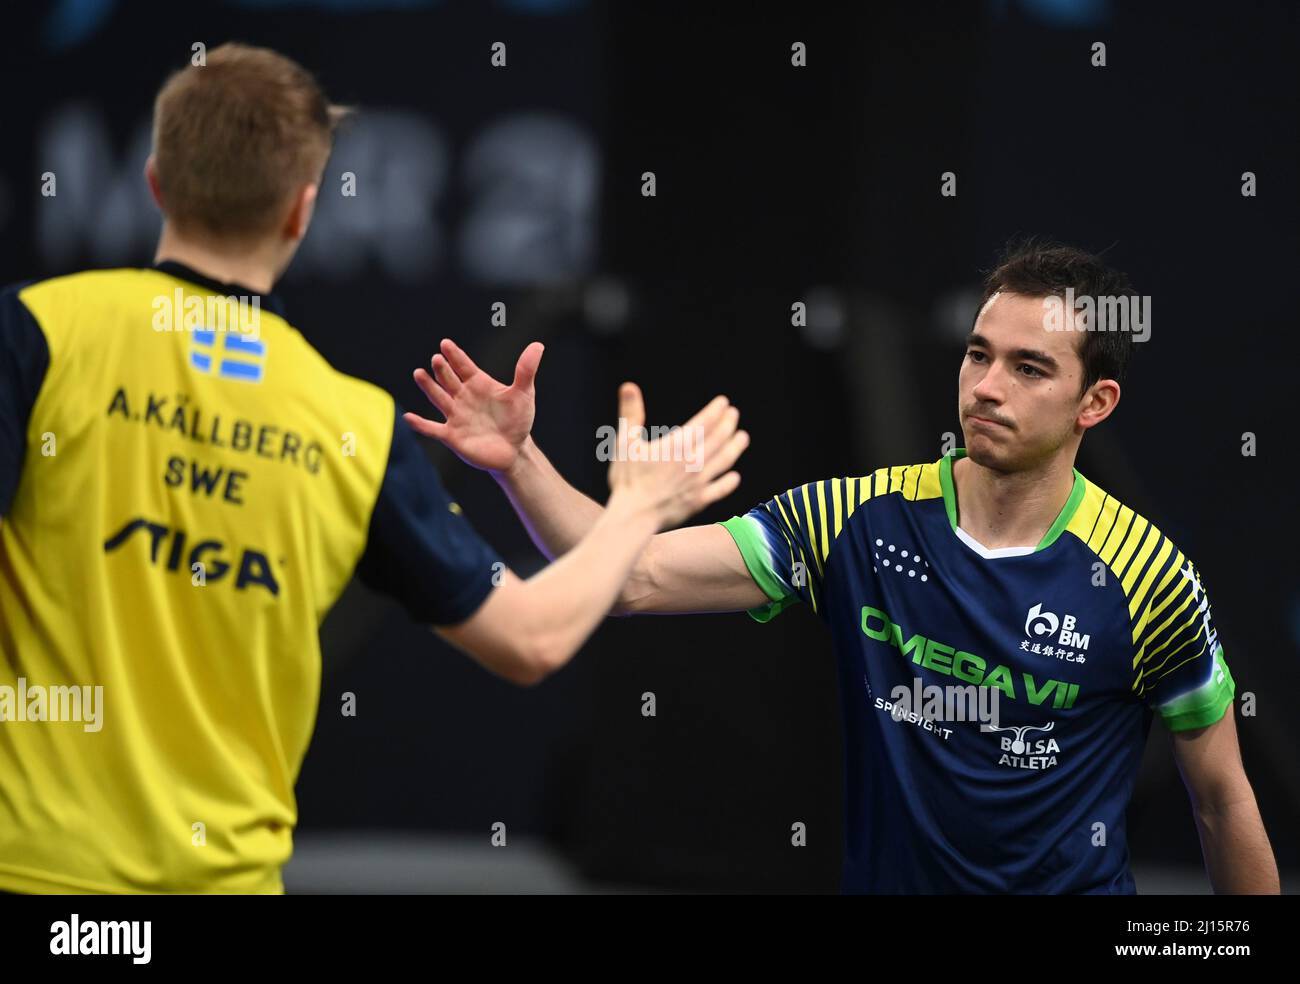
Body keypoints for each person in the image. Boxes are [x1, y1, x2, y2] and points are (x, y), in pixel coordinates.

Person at [0, 43, 747, 894]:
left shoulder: (36, 335)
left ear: (156, 182)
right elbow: (532, 640)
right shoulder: (349, 422)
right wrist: (638, 506)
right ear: (303, 210)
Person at [408, 240, 1280, 894]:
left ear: (1095, 401)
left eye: (1028, 368)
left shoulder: (1149, 579)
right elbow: (630, 577)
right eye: (979, 354)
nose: (985, 386)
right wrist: (516, 462)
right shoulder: (853, 519)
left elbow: (1223, 801)